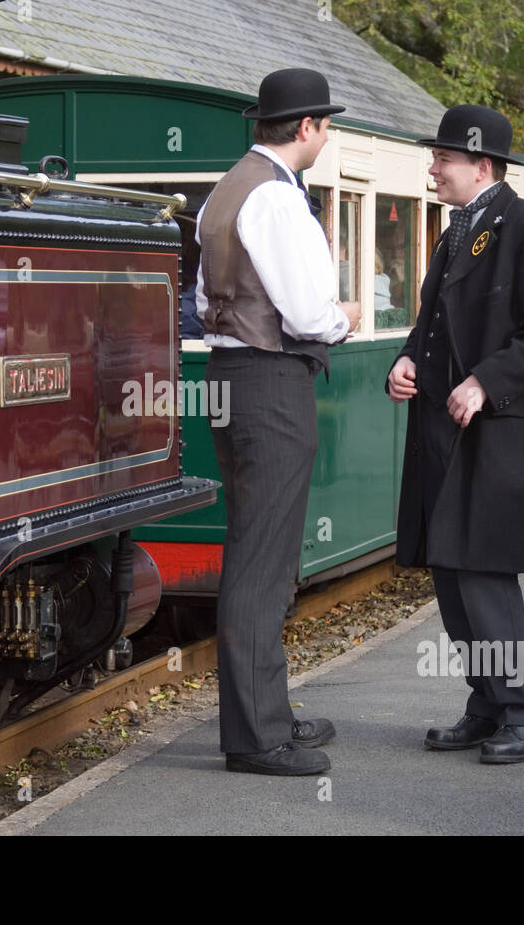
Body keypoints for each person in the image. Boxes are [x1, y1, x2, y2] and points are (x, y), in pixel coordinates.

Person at [385, 104, 524, 764]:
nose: (433, 169)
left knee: (484, 578)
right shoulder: (454, 231)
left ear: (482, 165)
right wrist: (407, 359)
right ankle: (487, 703)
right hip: (443, 429)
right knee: (451, 575)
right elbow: (431, 321)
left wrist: (487, 380)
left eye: (443, 158)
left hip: (497, 434)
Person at [195, 68, 361, 776]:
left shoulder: (226, 188)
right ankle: (257, 739)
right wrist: (345, 319)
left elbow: (207, 295)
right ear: (306, 129)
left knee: (258, 553)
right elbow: (306, 314)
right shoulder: (280, 201)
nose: (327, 135)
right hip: (271, 383)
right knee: (264, 564)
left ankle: (267, 714)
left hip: (232, 378)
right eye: (326, 125)